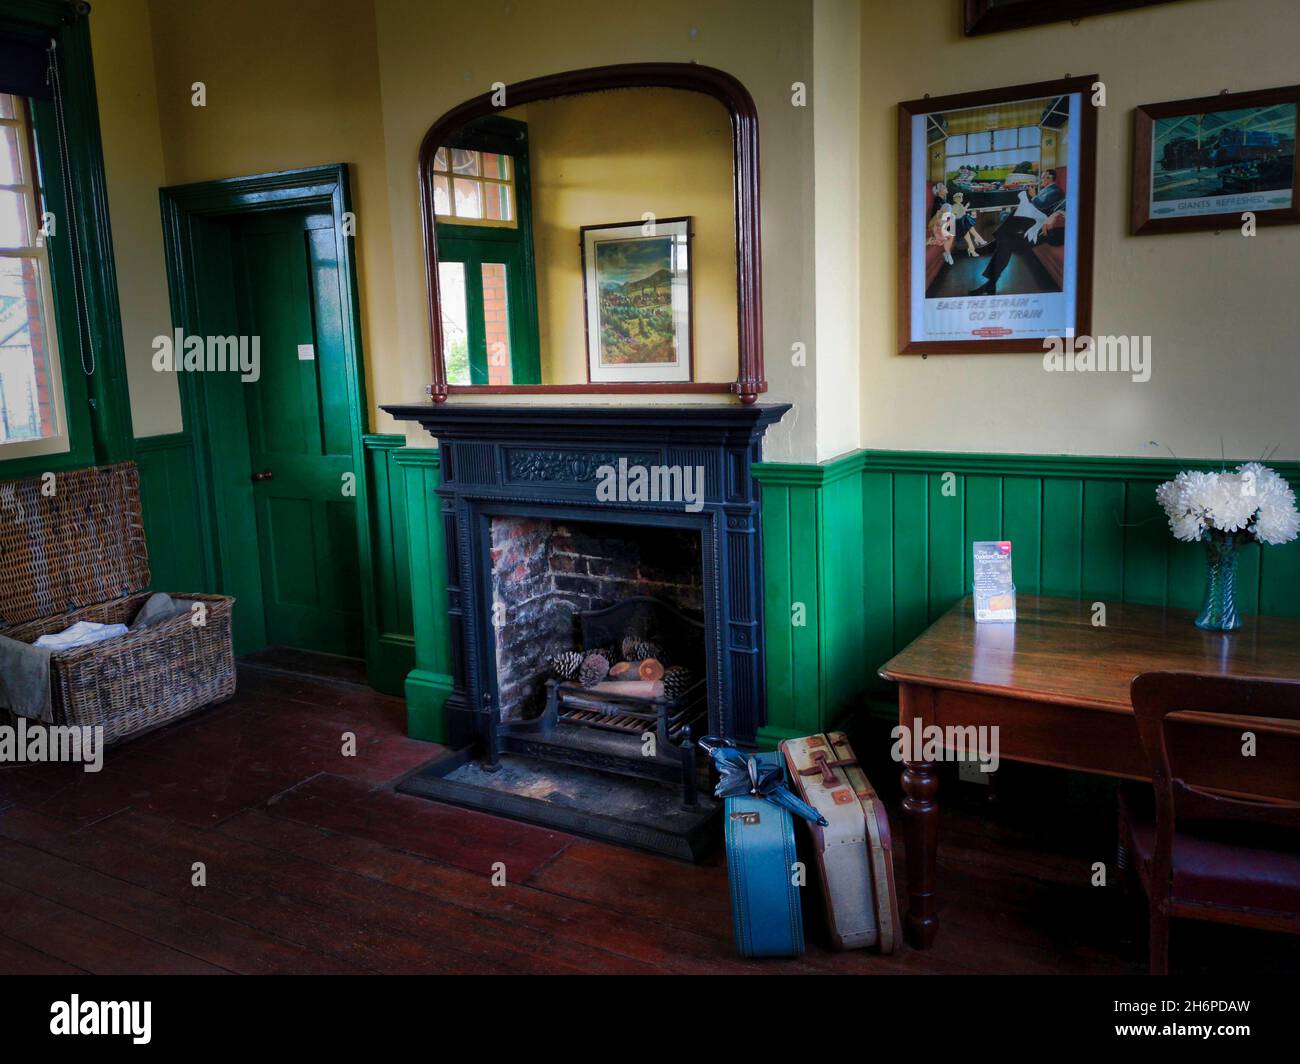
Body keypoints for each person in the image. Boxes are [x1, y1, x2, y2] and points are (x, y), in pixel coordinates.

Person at [968, 169, 1064, 296]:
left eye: (1043, 177)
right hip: (1037, 220)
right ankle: (990, 283)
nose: (1041, 180)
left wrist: (1033, 195)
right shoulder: (1047, 190)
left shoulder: (1055, 190)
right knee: (1007, 236)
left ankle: (994, 246)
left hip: (1042, 224)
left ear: (1050, 178)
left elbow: (1040, 205)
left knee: (1012, 224)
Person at [950, 192, 987, 258]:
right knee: (967, 228)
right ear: (955, 199)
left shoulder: (960, 205)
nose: (961, 198)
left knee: (968, 232)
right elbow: (954, 215)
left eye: (961, 197)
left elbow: (963, 211)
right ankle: (977, 239)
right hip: (959, 223)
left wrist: (966, 206)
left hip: (963, 222)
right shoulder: (954, 206)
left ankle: (972, 248)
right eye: (959, 197)